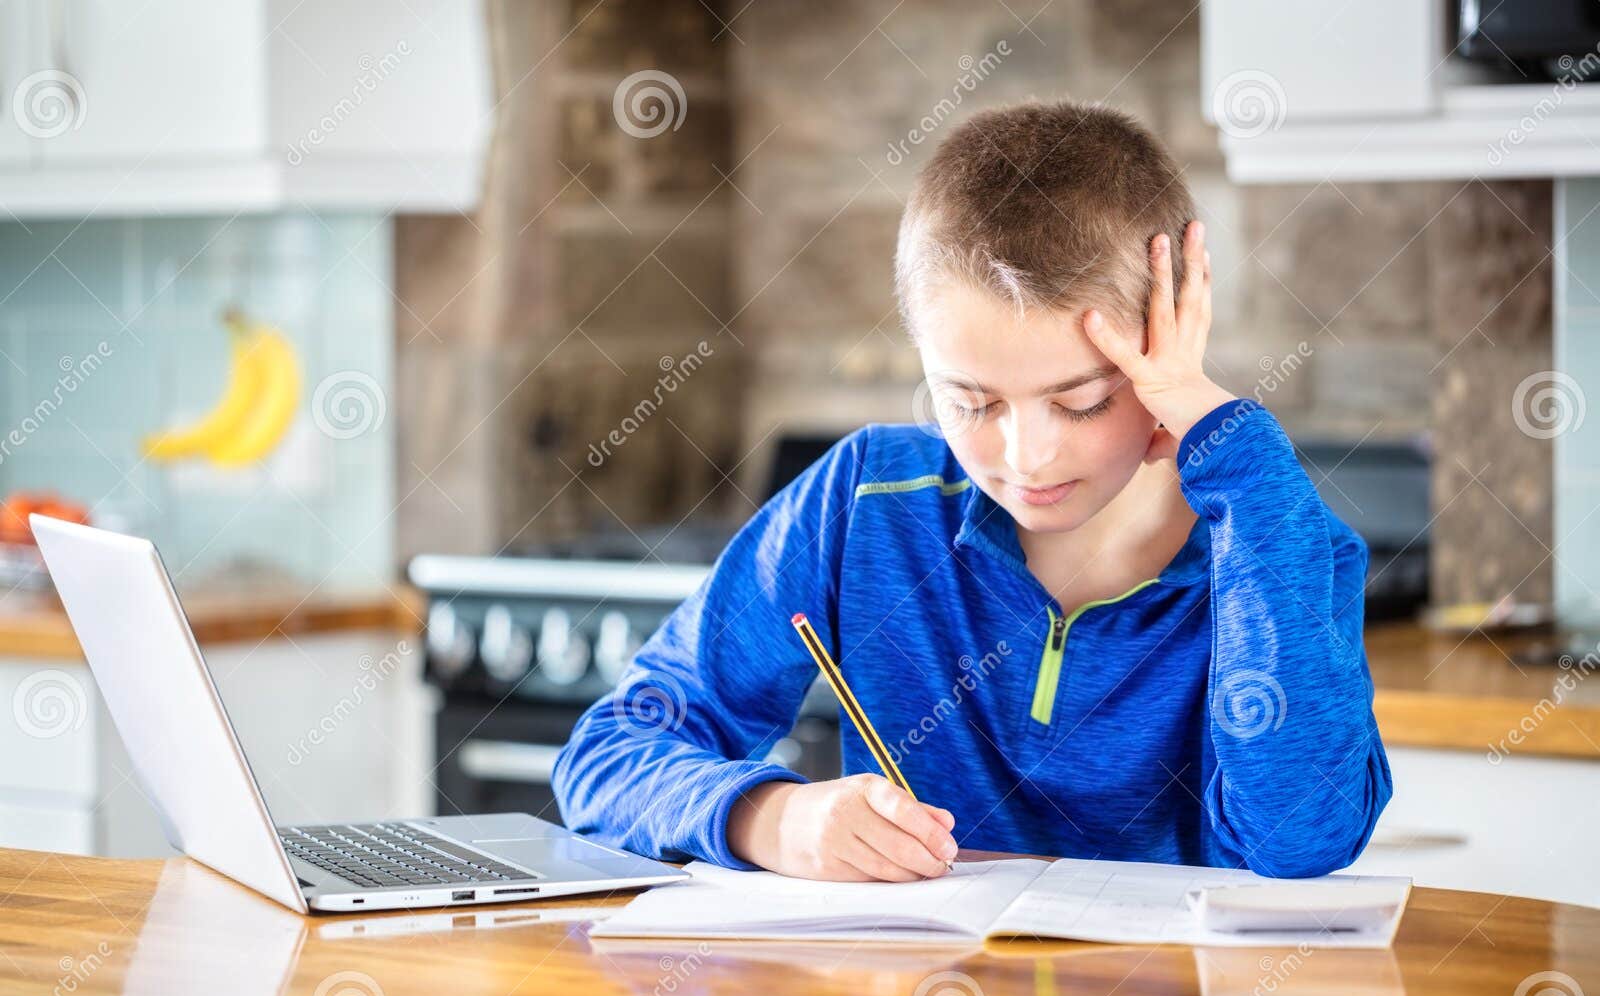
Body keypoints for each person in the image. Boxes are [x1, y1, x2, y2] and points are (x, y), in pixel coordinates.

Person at [553, 100, 1393, 882]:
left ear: (1174, 332)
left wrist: (1241, 454)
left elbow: (1299, 840)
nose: (1026, 458)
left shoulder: (1275, 537)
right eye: (971, 401)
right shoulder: (866, 501)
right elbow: (608, 754)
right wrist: (777, 819)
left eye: (1082, 401)